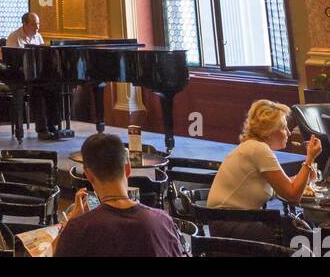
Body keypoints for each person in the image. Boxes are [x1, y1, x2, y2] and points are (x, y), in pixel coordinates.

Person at [55, 133, 185, 258]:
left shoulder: (78, 229)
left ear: (88, 175)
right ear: (128, 168)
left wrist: (71, 222)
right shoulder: (162, 221)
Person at [208, 101, 322, 213]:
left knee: (297, 224)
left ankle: (316, 232)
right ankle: (317, 232)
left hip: (229, 218)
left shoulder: (254, 146)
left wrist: (305, 177)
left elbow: (283, 187)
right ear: (269, 131)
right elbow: (292, 195)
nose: (288, 133)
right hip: (229, 221)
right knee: (299, 225)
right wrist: (310, 158)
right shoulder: (259, 149)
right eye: (283, 127)